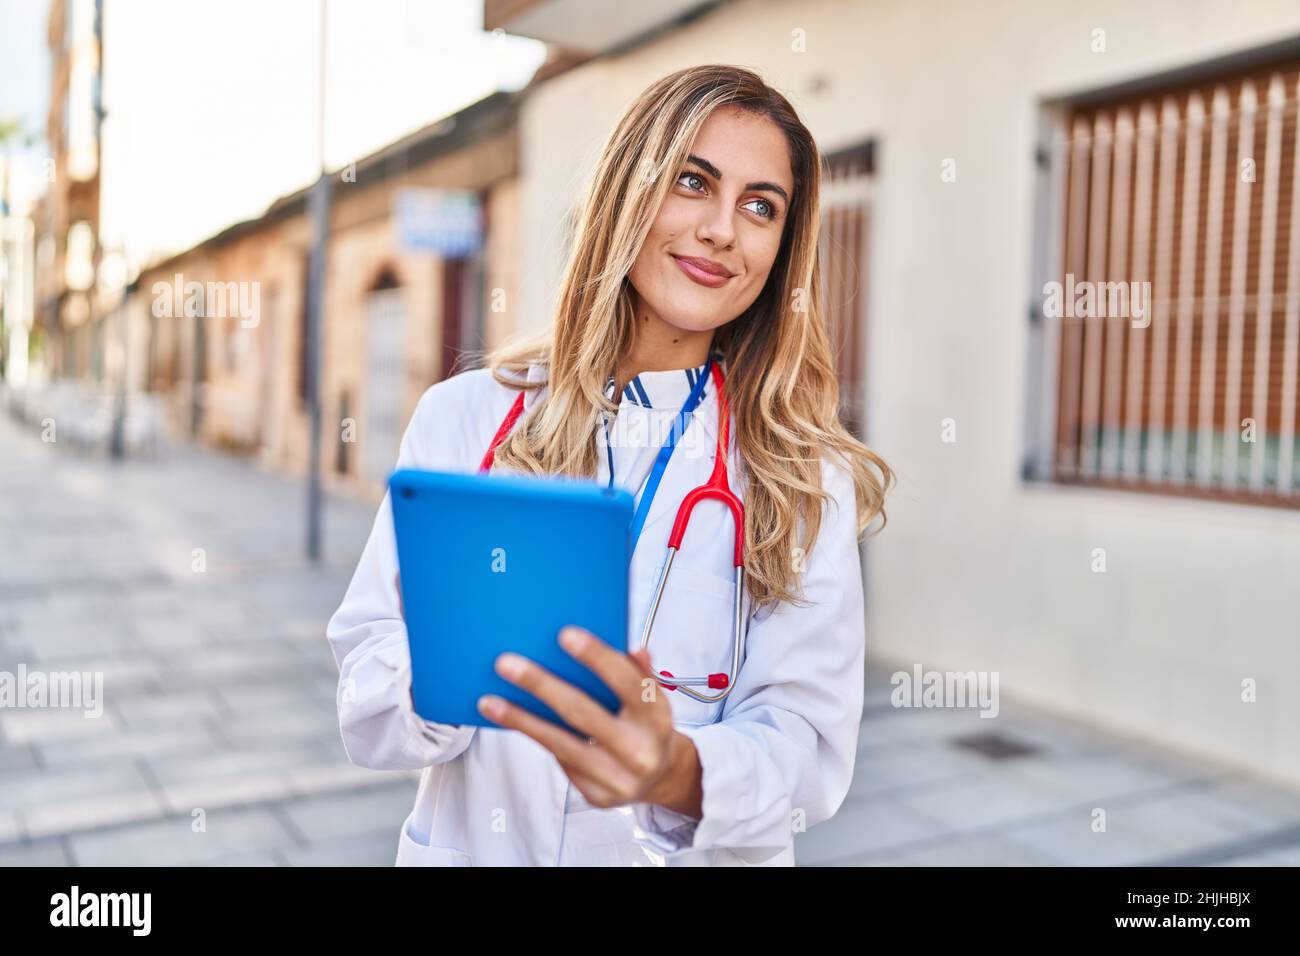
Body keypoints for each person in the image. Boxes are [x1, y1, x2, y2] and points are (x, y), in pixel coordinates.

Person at [326, 64, 893, 866]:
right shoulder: (468, 420)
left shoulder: (805, 478)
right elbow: (367, 706)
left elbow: (808, 750)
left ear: (780, 250)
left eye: (759, 206)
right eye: (693, 183)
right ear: (630, 190)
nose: (723, 229)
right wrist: (450, 660)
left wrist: (676, 771)